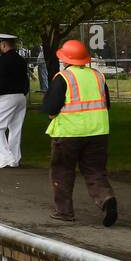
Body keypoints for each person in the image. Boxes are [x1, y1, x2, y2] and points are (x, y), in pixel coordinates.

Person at [44, 40, 117, 226]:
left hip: (68, 133)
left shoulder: (63, 78)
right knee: (95, 170)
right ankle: (106, 199)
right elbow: (106, 104)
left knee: (62, 171)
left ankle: (64, 212)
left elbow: (51, 108)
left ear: (64, 58)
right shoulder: (98, 76)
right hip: (98, 132)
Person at [0, 33, 28, 168]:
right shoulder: (21, 60)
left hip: (6, 97)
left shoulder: (2, 60)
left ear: (3, 44)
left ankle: (5, 157)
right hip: (21, 96)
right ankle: (15, 158)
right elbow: (25, 79)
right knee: (15, 127)